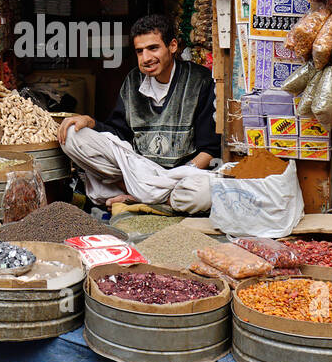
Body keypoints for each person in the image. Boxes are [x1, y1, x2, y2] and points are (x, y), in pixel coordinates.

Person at [57, 13, 220, 214]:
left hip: (180, 176)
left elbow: (210, 149)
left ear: (173, 46)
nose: (146, 58)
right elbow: (119, 134)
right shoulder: (133, 81)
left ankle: (143, 197)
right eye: (140, 51)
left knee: (203, 193)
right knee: (73, 135)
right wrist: (91, 122)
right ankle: (149, 197)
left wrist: (173, 178)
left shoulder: (199, 81)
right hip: (137, 170)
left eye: (153, 48)